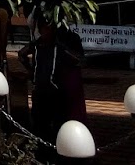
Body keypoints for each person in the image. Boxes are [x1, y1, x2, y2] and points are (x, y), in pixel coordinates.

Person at [20, 20, 87, 150]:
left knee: (57, 125)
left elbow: (80, 61)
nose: (44, 32)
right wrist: (31, 71)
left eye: (47, 29)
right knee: (39, 125)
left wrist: (64, 51)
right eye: (43, 29)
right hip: (39, 91)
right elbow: (21, 54)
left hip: (55, 92)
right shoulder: (36, 44)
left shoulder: (59, 47)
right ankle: (40, 151)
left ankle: (57, 150)